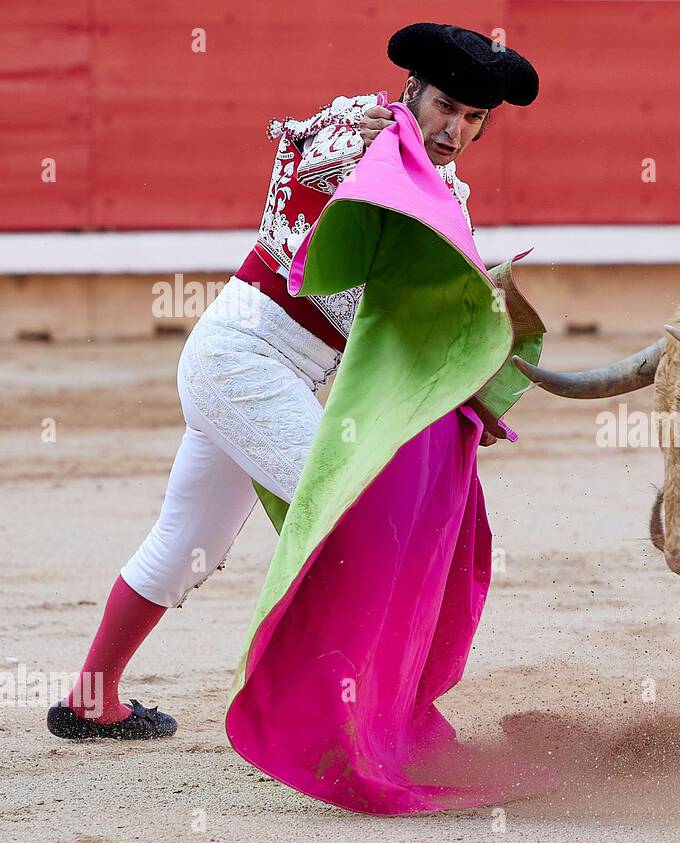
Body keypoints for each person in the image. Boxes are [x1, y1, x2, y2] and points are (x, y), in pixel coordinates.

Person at [49, 22, 539, 741]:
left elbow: (427, 321)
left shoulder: (447, 198)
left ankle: (94, 700)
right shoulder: (358, 124)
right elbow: (308, 155)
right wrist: (362, 141)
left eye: (473, 118)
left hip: (266, 371)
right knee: (352, 514)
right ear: (412, 92)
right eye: (444, 107)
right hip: (242, 358)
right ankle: (336, 717)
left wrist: (472, 394)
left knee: (187, 547)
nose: (454, 129)